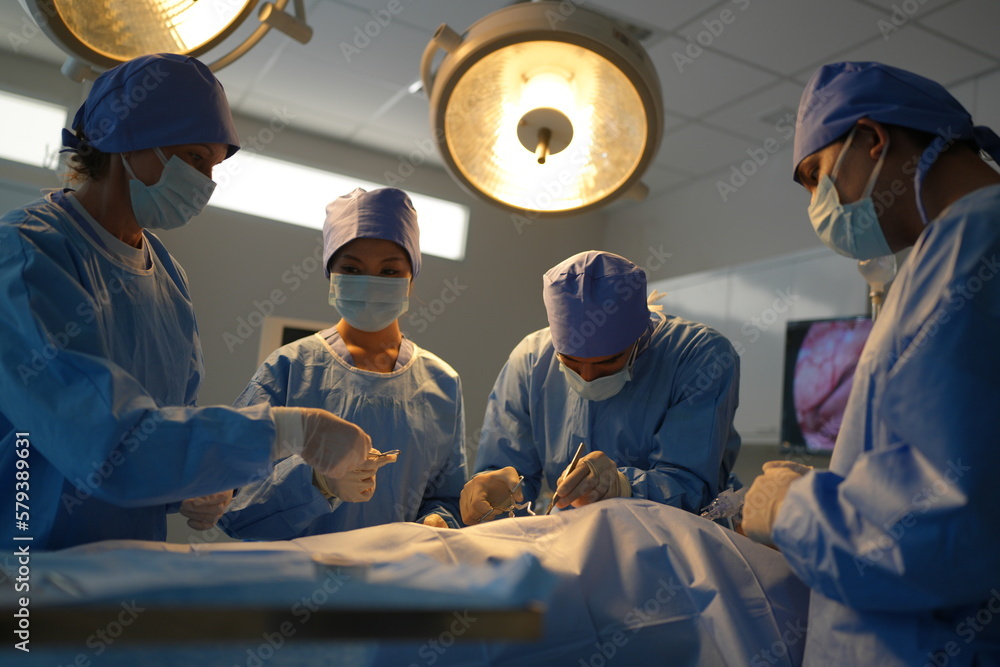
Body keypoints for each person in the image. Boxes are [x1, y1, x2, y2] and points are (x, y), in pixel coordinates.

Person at [0, 54, 370, 551]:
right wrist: (286, 431)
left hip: (124, 573)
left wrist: (194, 488)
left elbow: (164, 429)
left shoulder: (168, 280)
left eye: (213, 167)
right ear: (124, 137)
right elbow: (106, 444)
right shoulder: (26, 255)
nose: (205, 183)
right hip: (25, 569)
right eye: (195, 159)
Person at [742, 61, 1000, 665]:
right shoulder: (942, 255)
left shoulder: (977, 246)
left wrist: (792, 512)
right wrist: (829, 492)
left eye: (816, 176)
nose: (816, 203)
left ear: (872, 141)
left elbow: (946, 526)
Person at [221, 187, 467, 539]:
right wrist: (316, 483)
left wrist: (438, 522)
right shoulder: (290, 367)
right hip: (294, 584)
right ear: (330, 275)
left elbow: (445, 497)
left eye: (389, 271)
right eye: (352, 268)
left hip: (397, 584)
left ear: (411, 279)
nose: (371, 282)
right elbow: (234, 508)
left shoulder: (441, 383)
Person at [462, 250, 741, 525]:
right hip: (570, 543)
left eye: (608, 362)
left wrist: (622, 487)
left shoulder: (698, 355)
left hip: (675, 550)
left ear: (637, 335)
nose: (587, 377)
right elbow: (509, 473)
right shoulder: (530, 361)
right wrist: (495, 495)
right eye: (570, 362)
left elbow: (691, 486)